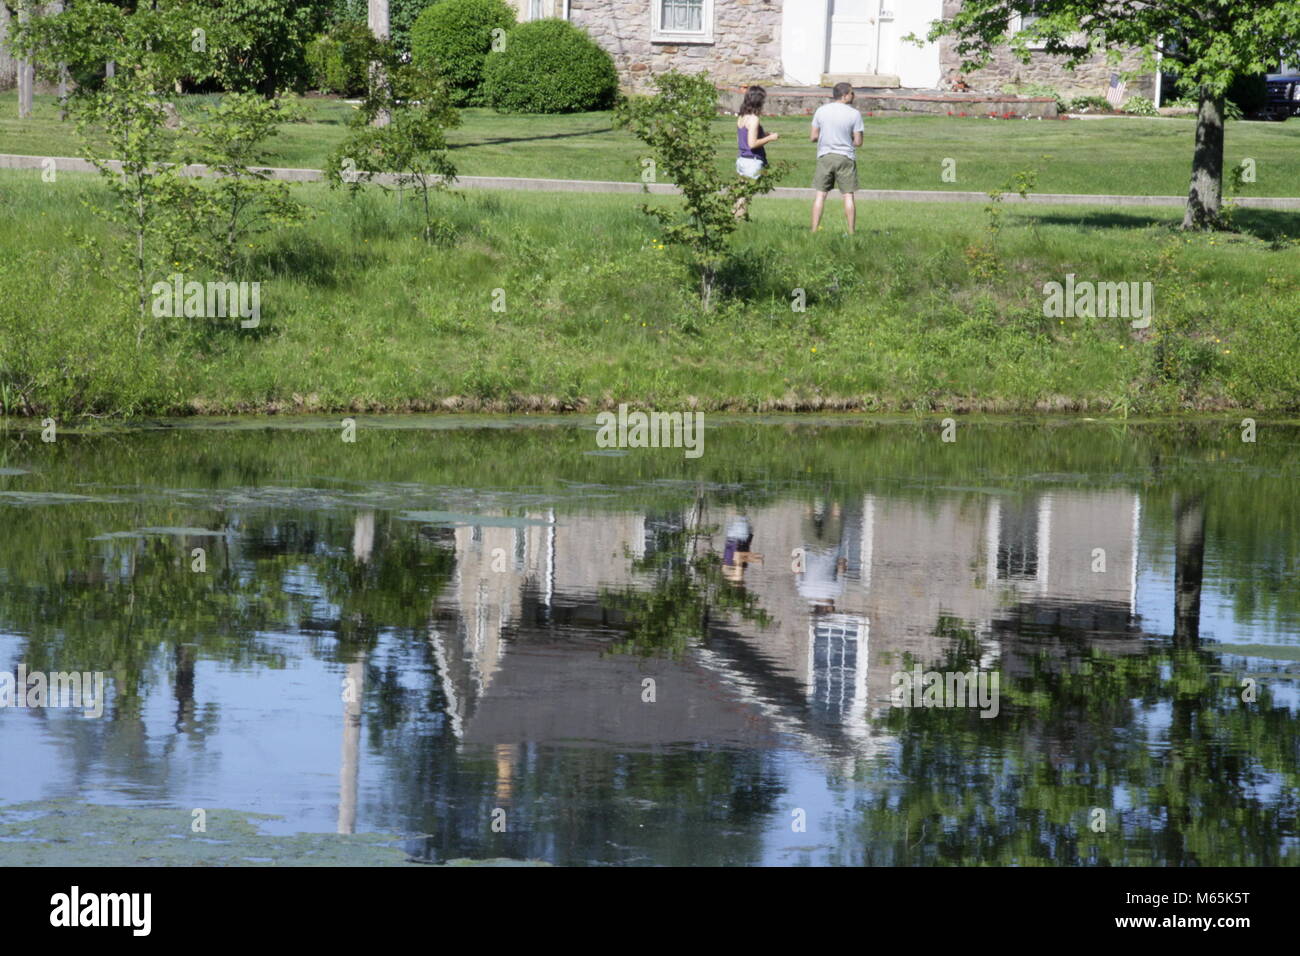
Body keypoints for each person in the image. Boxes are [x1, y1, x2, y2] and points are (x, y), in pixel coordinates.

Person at [809, 82, 864, 234]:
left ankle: (814, 229)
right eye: (852, 93)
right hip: (845, 157)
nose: (854, 96)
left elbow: (813, 136)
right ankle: (851, 231)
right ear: (845, 95)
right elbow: (858, 142)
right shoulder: (854, 114)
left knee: (820, 195)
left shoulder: (821, 111)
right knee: (848, 195)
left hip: (825, 156)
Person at [735, 85, 779, 218]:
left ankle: (734, 219)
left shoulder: (742, 117)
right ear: (758, 101)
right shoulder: (754, 119)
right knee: (745, 197)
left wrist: (763, 133)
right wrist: (770, 138)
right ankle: (738, 221)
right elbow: (752, 144)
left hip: (742, 159)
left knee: (740, 194)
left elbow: (742, 138)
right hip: (751, 161)